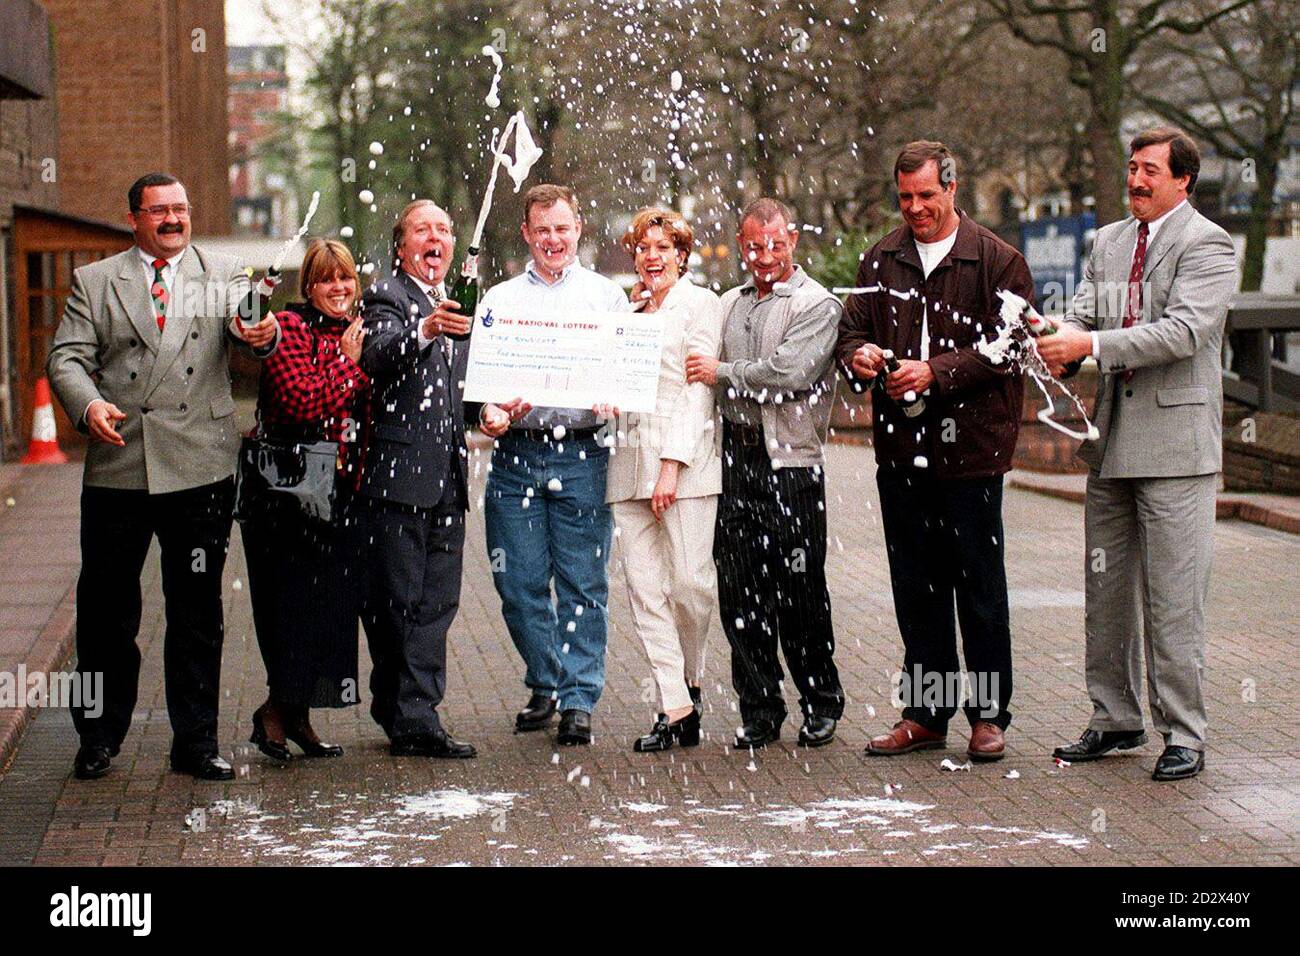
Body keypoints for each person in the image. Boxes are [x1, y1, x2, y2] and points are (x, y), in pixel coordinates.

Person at [46, 172, 279, 780]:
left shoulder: (224, 274)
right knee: (104, 614)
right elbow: (66, 357)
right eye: (159, 211)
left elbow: (250, 325)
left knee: (197, 610)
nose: (173, 220)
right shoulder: (96, 283)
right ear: (135, 218)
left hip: (198, 465)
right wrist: (88, 403)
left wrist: (263, 331)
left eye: (181, 208)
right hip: (119, 464)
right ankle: (97, 736)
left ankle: (196, 743)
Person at [1037, 127, 1236, 782]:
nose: (1137, 179)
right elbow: (1086, 314)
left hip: (1177, 451)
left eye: (1150, 169)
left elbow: (1183, 333)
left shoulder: (1208, 244)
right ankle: (1115, 717)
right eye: (1132, 167)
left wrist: (1090, 346)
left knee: (1175, 600)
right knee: (1106, 591)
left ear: (1183, 180)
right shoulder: (1110, 240)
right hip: (1111, 444)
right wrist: (1055, 333)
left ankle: (1185, 733)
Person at [837, 141, 1034, 763]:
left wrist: (936, 373)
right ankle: (927, 713)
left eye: (926, 195)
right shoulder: (881, 258)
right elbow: (852, 329)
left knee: (978, 584)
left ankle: (987, 715)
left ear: (953, 188)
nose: (916, 208)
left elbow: (1012, 346)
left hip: (971, 452)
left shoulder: (998, 260)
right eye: (905, 198)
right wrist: (859, 357)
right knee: (916, 587)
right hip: (901, 451)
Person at [685, 196, 845, 750]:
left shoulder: (817, 305)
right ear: (740, 242)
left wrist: (722, 371)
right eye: (753, 246)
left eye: (775, 244)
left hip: (792, 464)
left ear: (793, 239)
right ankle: (759, 707)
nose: (765, 256)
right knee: (740, 591)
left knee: (800, 589)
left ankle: (821, 701)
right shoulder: (728, 302)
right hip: (736, 459)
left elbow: (788, 375)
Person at [478, 183, 630, 746]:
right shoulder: (499, 301)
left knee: (583, 584)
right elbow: (481, 390)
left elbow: (623, 372)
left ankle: (577, 697)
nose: (553, 240)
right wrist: (490, 413)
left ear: (578, 228)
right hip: (517, 454)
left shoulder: (605, 299)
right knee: (517, 584)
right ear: (526, 234)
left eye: (562, 228)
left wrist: (615, 393)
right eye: (542, 230)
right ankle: (546, 677)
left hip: (584, 452)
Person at [241, 238, 370, 761]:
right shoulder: (290, 330)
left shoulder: (358, 329)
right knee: (291, 605)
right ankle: (275, 711)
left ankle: (297, 714)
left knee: (330, 608)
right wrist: (347, 363)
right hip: (286, 493)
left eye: (345, 279)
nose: (338, 288)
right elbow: (300, 402)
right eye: (326, 279)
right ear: (308, 287)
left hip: (338, 491)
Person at [357, 200, 477, 759]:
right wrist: (426, 328)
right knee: (398, 602)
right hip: (398, 479)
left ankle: (411, 712)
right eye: (423, 230)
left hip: (449, 480)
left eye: (444, 230)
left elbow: (462, 394)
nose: (436, 238)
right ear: (401, 246)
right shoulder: (389, 297)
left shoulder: (456, 303)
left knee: (437, 604)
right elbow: (378, 357)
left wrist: (489, 415)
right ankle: (409, 715)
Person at [605, 207, 722, 753]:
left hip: (687, 468)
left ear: (681, 253)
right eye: (642, 247)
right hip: (628, 465)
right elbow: (615, 384)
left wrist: (671, 466)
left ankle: (692, 679)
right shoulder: (625, 311)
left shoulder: (702, 305)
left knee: (692, 587)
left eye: (662, 246)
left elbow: (698, 390)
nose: (651, 257)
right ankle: (675, 706)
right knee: (645, 590)